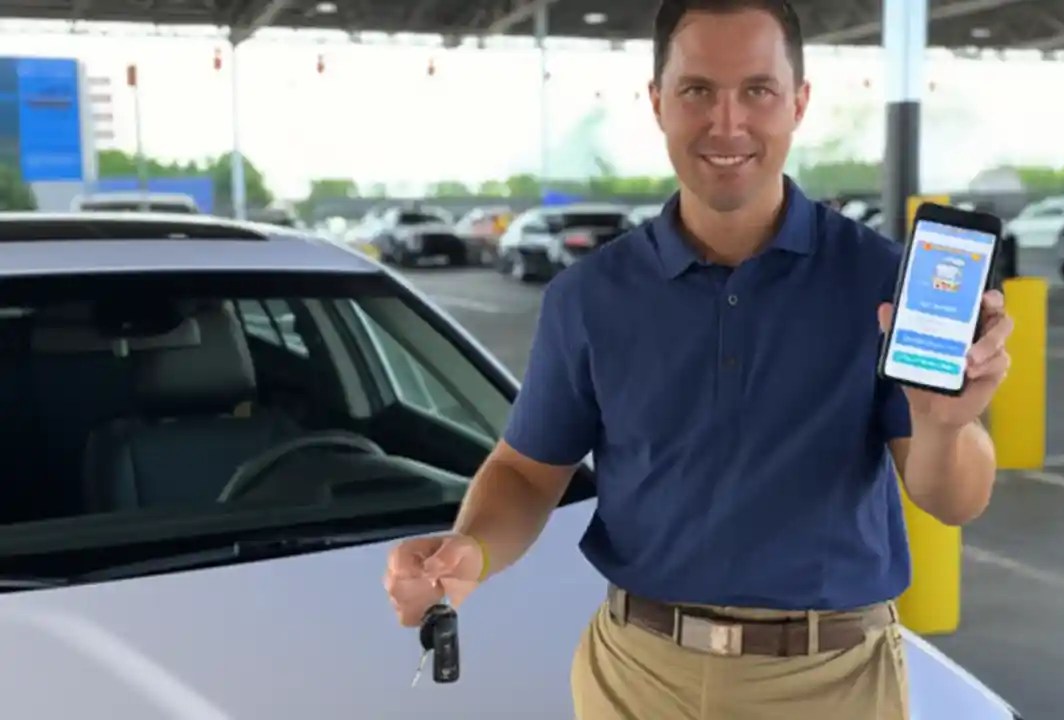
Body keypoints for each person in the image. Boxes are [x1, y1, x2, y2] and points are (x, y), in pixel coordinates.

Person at [383, 0, 1012, 717]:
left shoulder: (880, 281)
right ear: (657, 102)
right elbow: (527, 471)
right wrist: (471, 550)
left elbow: (953, 498)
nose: (727, 123)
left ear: (798, 103)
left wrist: (944, 426)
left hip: (830, 683)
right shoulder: (590, 296)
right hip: (637, 675)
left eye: (757, 91)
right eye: (697, 91)